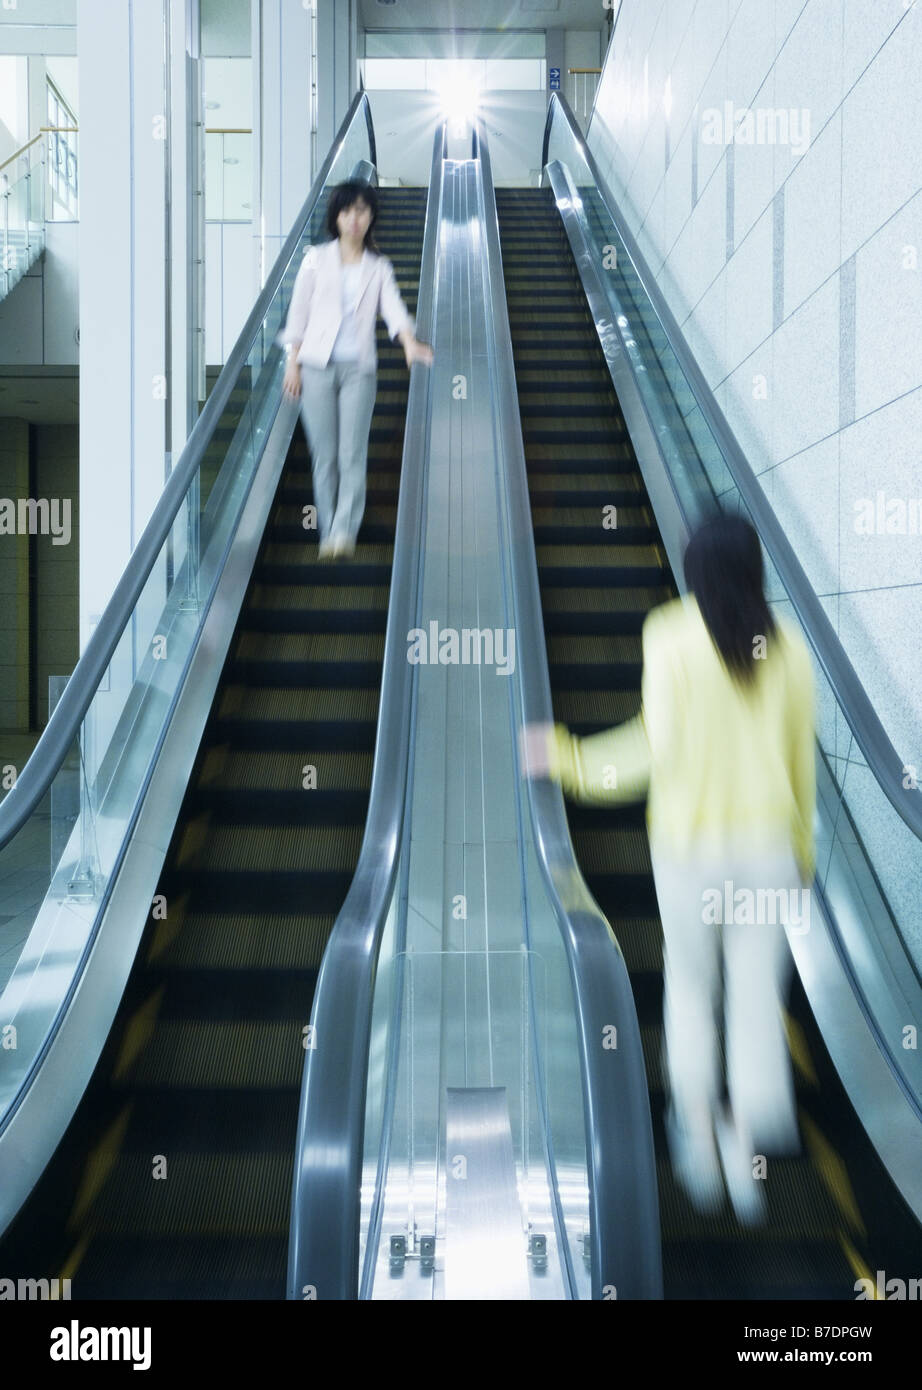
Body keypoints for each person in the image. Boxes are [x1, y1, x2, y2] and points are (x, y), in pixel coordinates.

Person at [521, 515, 816, 1225]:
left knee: (690, 988)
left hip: (693, 854)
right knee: (752, 1001)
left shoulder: (671, 634)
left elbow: (657, 750)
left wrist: (567, 757)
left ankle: (696, 1140)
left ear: (692, 571)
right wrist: (801, 859)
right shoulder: (791, 648)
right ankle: (746, 1151)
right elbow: (801, 768)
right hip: (770, 852)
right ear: (754, 570)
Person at [280, 180, 433, 559]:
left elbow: (393, 308)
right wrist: (291, 363)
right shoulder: (316, 258)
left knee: (352, 454)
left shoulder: (378, 267)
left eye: (362, 211)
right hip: (314, 367)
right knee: (325, 455)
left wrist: (409, 342)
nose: (354, 219)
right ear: (336, 216)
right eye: (347, 211)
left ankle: (343, 534)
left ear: (371, 218)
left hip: (358, 371)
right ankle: (328, 528)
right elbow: (297, 314)